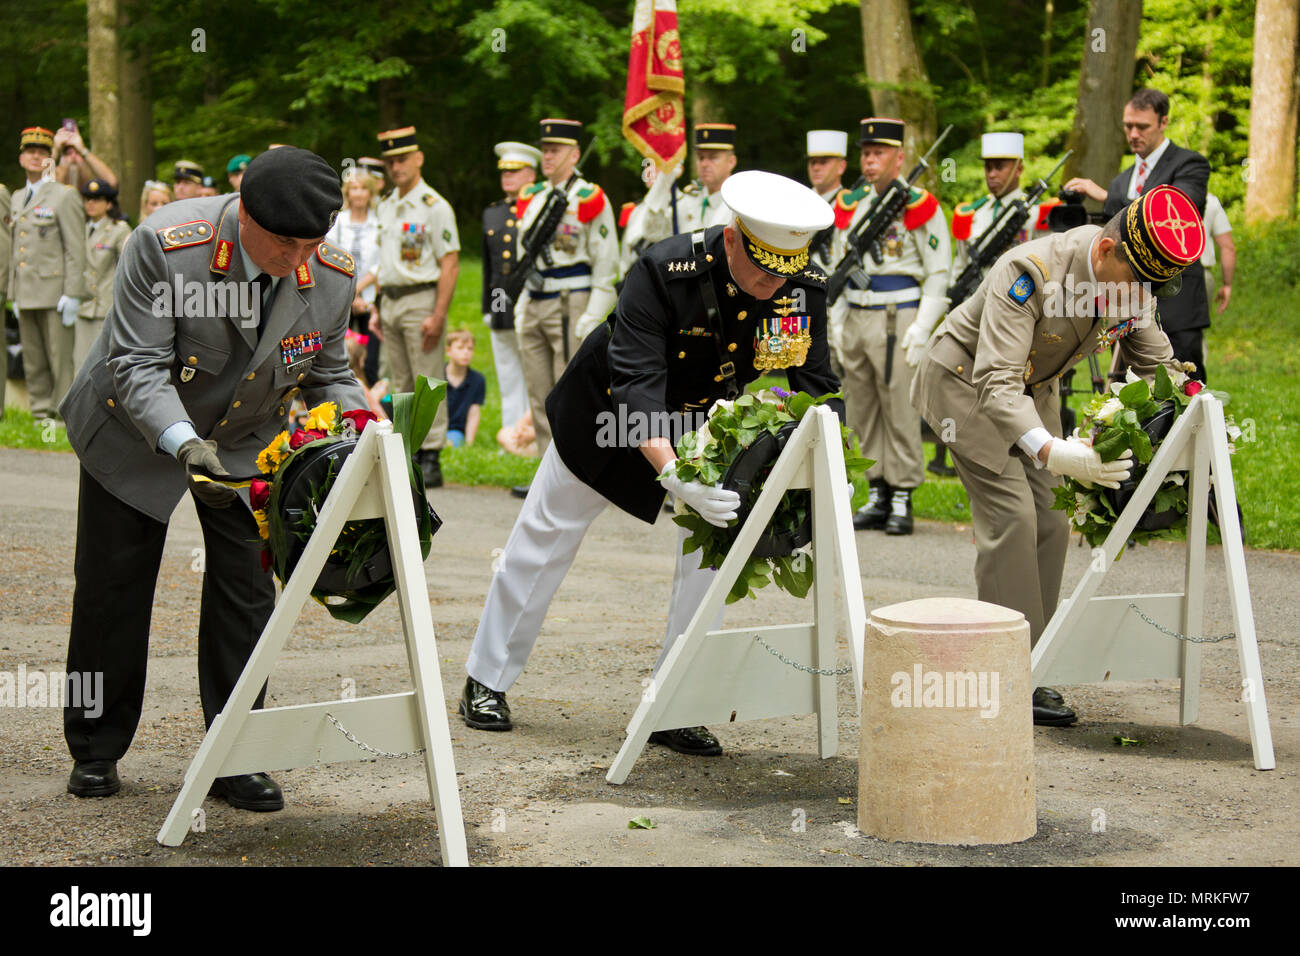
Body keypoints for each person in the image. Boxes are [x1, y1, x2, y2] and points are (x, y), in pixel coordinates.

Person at [459, 171, 841, 757]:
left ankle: (675, 699)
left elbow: (817, 387)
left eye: (783, 273)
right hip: (608, 419)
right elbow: (636, 385)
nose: (771, 286)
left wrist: (823, 470)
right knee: (543, 538)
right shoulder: (663, 272)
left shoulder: (801, 286)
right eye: (762, 269)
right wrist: (672, 475)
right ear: (732, 238)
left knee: (709, 565)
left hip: (711, 430)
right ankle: (487, 677)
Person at [58, 147, 367, 808]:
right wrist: (183, 443)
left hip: (247, 438)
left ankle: (235, 754)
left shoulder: (330, 272)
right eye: (287, 245)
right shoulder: (167, 248)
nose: (302, 262)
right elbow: (137, 364)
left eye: (316, 243)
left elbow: (330, 373)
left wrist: (366, 428)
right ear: (245, 216)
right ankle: (95, 746)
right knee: (113, 586)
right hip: (136, 431)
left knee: (247, 593)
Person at [911, 184, 1204, 725]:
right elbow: (995, 381)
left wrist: (1198, 409)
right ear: (1106, 251)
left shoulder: (1132, 284)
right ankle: (1004, 670)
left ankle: (1034, 659)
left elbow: (1157, 366)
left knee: (1052, 515)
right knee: (1013, 516)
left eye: (1152, 286)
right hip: (965, 384)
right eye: (1139, 281)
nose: (1143, 294)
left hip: (1033, 387)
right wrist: (1053, 450)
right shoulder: (1028, 271)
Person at [833, 117, 951, 535]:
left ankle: (903, 494)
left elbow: (939, 272)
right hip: (858, 315)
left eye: (879, 153)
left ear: (899, 157)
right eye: (865, 153)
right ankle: (878, 490)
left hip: (897, 315)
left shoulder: (920, 205)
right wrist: (837, 321)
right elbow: (840, 268)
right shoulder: (855, 205)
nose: (869, 161)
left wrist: (921, 327)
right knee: (862, 409)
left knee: (899, 407)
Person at [935, 131, 1060, 478]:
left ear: (1019, 169)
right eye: (988, 167)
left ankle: (1031, 456)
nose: (993, 173)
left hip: (1022, 318)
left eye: (1001, 166)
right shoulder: (970, 215)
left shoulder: (1038, 214)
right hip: (979, 313)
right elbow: (961, 267)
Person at [1064, 88, 1210, 381]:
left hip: (1176, 297)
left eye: (1142, 126)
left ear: (1163, 122)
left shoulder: (1189, 164)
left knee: (1185, 381)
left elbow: (1173, 213)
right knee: (1127, 387)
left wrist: (1106, 197)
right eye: (1128, 126)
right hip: (1128, 299)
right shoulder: (1121, 180)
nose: (1133, 133)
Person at [512, 118, 618, 457]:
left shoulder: (590, 198)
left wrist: (593, 311)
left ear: (574, 155)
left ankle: (574, 464)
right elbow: (523, 255)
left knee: (568, 390)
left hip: (570, 299)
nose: (547, 156)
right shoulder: (532, 196)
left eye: (555, 150)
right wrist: (520, 303)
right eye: (544, 149)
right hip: (536, 299)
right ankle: (546, 463)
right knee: (539, 389)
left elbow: (607, 262)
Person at [373, 125, 459, 488]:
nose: (397, 166)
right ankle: (407, 448)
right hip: (391, 299)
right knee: (401, 381)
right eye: (391, 160)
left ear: (419, 158)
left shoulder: (434, 207)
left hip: (420, 299)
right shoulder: (388, 204)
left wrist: (438, 314)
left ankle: (433, 452)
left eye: (403, 158)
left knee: (428, 378)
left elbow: (450, 262)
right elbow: (386, 260)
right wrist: (378, 305)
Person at [8, 126, 88, 420]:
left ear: (49, 159)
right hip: (27, 292)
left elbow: (76, 248)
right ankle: (40, 413)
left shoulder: (63, 196)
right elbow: (17, 247)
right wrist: (13, 293)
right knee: (33, 359)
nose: (35, 157)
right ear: (21, 158)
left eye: (42, 152)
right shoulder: (17, 198)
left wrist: (73, 293)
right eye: (30, 152)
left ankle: (64, 414)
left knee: (60, 360)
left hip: (56, 292)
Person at [481, 140, 539, 433]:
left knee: (534, 368)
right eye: (504, 171)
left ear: (531, 174)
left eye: (514, 171)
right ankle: (510, 430)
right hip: (501, 299)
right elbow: (488, 265)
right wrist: (486, 306)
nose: (507, 176)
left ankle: (530, 431)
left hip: (530, 297)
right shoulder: (492, 213)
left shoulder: (539, 209)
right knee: (507, 370)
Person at [620, 123, 737, 266]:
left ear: (731, 162)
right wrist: (664, 180)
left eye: (713, 158)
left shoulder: (737, 206)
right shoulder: (687, 203)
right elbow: (652, 231)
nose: (705, 164)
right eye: (701, 158)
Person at [326, 166, 382, 385]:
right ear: (347, 192)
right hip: (342, 297)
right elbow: (331, 254)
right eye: (354, 188)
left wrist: (358, 289)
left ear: (370, 192)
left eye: (363, 189)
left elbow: (382, 262)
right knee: (341, 356)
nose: (358, 193)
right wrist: (351, 292)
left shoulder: (379, 222)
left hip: (370, 298)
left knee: (372, 360)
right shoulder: (338, 221)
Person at [75, 179, 131, 371]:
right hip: (81, 305)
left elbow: (127, 268)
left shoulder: (119, 229)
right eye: (88, 199)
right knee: (80, 366)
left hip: (106, 305)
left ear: (108, 203)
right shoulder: (77, 227)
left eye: (97, 199)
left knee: (103, 366)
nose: (91, 203)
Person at [444, 327, 485, 447]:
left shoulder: (477, 380)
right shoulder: (437, 375)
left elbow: (474, 413)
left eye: (470, 348)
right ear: (448, 350)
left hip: (455, 431)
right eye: (460, 348)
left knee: (453, 441)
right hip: (435, 429)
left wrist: (469, 444)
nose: (466, 352)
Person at [52, 122, 118, 191]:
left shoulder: (91, 181)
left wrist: (83, 150)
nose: (73, 156)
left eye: (78, 153)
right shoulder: (53, 178)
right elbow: (41, 180)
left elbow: (112, 184)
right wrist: (55, 150)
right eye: (68, 153)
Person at [1200, 191, 1234, 316]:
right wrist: (1227, 284)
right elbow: (1227, 247)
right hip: (1200, 279)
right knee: (1193, 332)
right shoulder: (1210, 200)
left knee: (1141, 327)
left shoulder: (1151, 195)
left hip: (1149, 275)